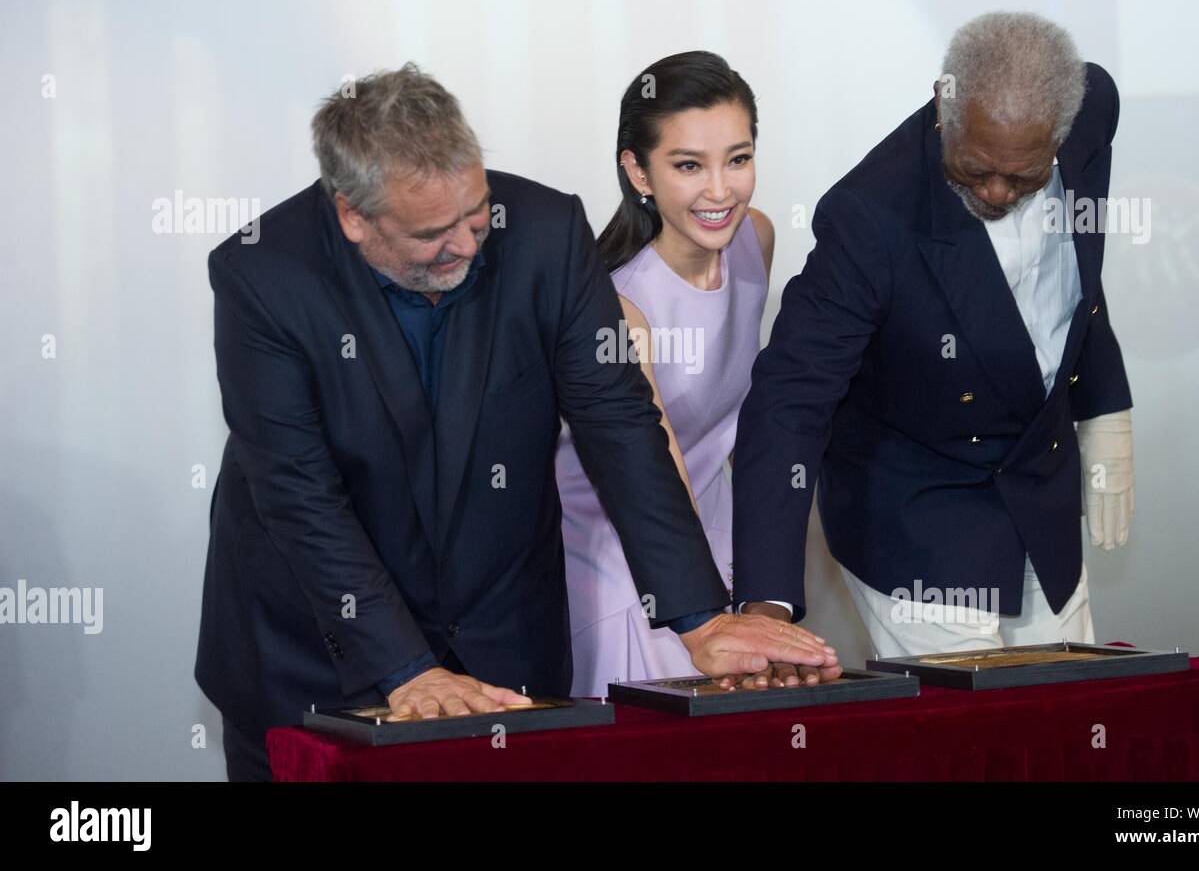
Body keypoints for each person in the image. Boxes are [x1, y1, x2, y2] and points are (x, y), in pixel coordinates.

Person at [196, 63, 838, 779]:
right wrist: (406, 667)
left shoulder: (543, 232)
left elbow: (618, 420)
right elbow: (299, 493)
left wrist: (700, 618)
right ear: (353, 215)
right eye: (434, 233)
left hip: (504, 632)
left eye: (475, 213)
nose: (470, 245)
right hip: (315, 647)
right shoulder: (264, 275)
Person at [732, 12, 1135, 665]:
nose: (998, 193)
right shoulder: (871, 216)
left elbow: (1074, 281)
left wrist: (1105, 408)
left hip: (1040, 480)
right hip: (916, 503)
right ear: (945, 102)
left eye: (1024, 176)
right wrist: (766, 600)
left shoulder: (1092, 108)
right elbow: (791, 398)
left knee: (1074, 707)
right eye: (975, 169)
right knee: (973, 735)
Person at [557, 52, 837, 696]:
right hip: (634, 566)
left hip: (721, 536)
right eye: (689, 165)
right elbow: (659, 473)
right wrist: (724, 612)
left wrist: (760, 593)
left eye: (738, 159)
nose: (721, 191)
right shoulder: (621, 308)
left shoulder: (754, 240)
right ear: (637, 170)